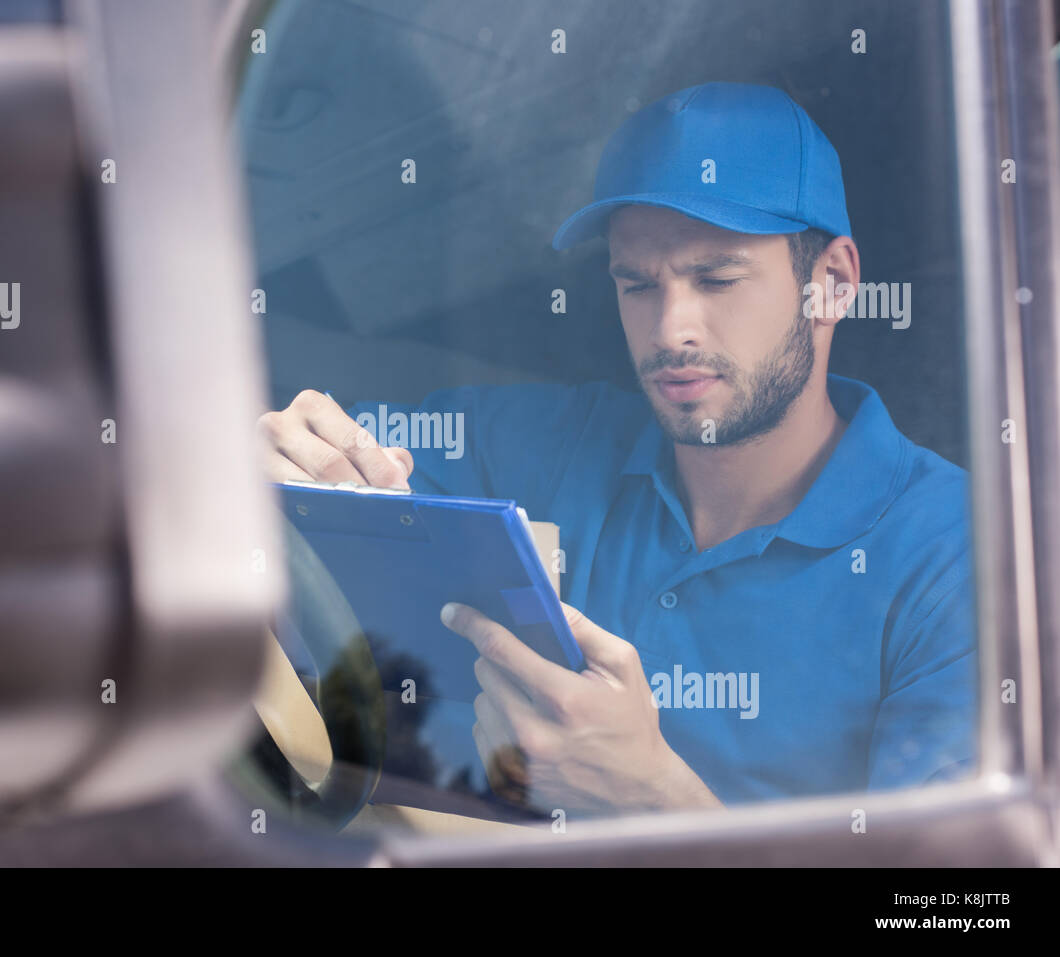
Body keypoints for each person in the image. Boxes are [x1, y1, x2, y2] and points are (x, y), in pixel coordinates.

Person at [257, 82, 975, 816]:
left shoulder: (963, 554)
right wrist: (277, 448)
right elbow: (328, 457)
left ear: (832, 284)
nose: (671, 330)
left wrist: (656, 798)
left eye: (716, 278)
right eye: (637, 285)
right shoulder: (553, 444)